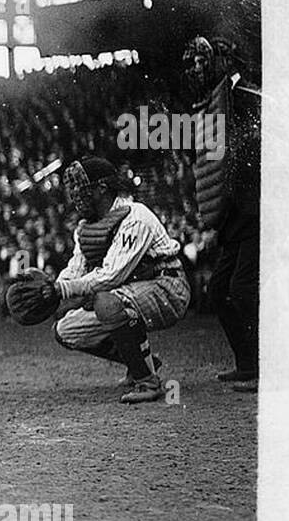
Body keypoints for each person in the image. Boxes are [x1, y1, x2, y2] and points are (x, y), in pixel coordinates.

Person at [51, 156, 191, 404]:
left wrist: (64, 290)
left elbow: (111, 276)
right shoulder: (87, 226)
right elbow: (75, 270)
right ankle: (143, 362)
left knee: (107, 302)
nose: (74, 194)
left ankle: (147, 382)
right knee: (65, 330)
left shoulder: (135, 216)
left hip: (166, 287)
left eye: (80, 188)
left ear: (101, 189)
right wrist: (50, 291)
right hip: (129, 292)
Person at [184, 34, 261, 392]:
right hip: (236, 220)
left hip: (259, 215)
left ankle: (268, 367)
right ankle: (248, 364)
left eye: (202, 61)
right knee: (219, 290)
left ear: (223, 61)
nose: (196, 68)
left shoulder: (248, 98)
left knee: (243, 290)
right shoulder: (214, 105)